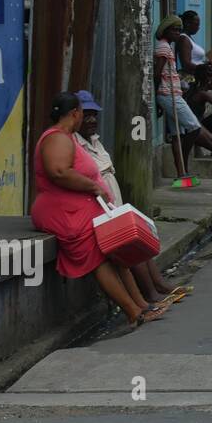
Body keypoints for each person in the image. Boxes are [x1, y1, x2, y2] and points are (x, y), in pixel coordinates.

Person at [30, 92, 166, 328]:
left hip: (83, 208)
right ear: (74, 113)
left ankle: (142, 304)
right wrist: (93, 186)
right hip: (62, 213)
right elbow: (59, 172)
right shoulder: (56, 138)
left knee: (118, 248)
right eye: (83, 113)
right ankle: (133, 312)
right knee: (99, 255)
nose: (84, 118)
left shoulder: (69, 137)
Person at [73, 90, 189, 307]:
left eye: (93, 115)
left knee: (140, 238)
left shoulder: (95, 142)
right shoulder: (75, 145)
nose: (91, 120)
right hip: (99, 207)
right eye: (86, 114)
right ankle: (151, 294)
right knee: (129, 244)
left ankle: (160, 284)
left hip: (113, 199)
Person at [155, 15, 212, 164]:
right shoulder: (170, 45)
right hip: (171, 93)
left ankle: (183, 171)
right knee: (193, 126)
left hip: (173, 92)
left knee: (178, 133)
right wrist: (156, 97)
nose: (177, 33)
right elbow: (162, 72)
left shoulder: (173, 45)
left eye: (179, 30)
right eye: (174, 30)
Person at [176, 9, 208, 73]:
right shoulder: (184, 39)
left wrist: (207, 65)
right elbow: (186, 65)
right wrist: (205, 68)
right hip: (191, 80)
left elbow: (195, 60)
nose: (198, 27)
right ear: (187, 23)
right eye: (196, 24)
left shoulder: (188, 38)